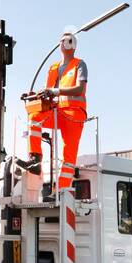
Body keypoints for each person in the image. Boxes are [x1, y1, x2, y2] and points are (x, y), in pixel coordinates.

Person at [18, 27, 87, 190]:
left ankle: (61, 191)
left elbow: (80, 89)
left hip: (75, 114)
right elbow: (48, 93)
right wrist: (35, 95)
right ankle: (35, 160)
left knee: (69, 156)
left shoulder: (79, 64)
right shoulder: (53, 68)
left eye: (64, 40)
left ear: (70, 44)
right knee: (34, 117)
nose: (61, 43)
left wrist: (55, 91)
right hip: (58, 112)